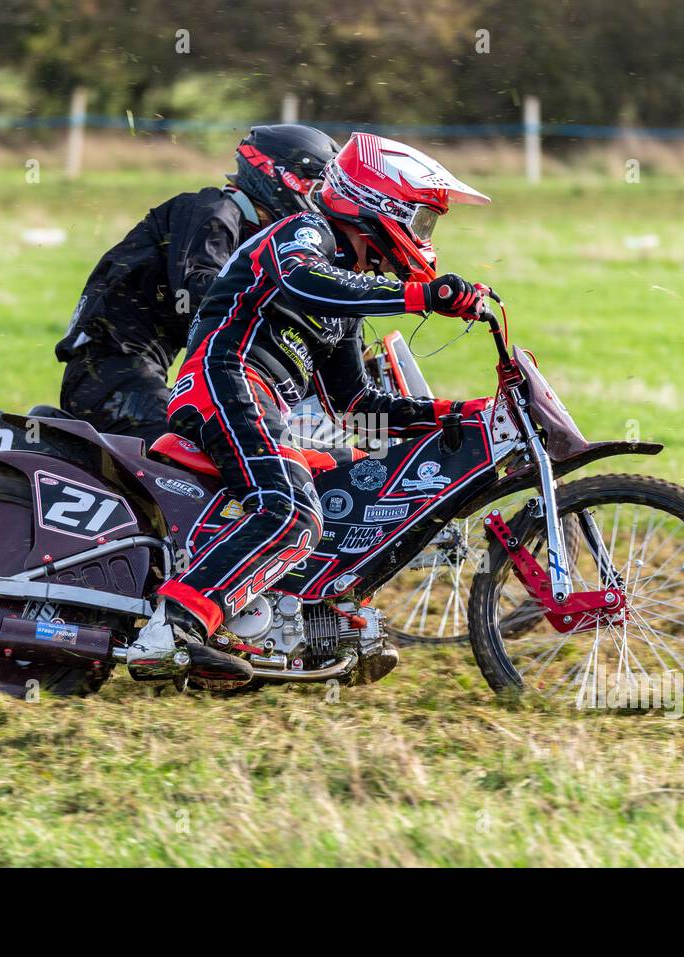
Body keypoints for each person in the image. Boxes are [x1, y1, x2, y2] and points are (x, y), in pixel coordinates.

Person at [126, 132, 493, 688]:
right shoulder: (304, 233)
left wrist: (456, 413)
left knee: (331, 497)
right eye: (421, 220)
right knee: (291, 513)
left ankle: (303, 629)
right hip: (226, 382)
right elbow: (305, 280)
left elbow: (355, 404)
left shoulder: (345, 297)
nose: (424, 237)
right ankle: (171, 630)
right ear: (380, 202)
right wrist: (423, 297)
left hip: (263, 404)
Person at [55, 125, 340, 444]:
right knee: (199, 450)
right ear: (279, 176)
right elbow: (200, 294)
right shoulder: (213, 210)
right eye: (318, 188)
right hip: (109, 373)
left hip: (131, 371)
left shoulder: (239, 229)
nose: (324, 201)